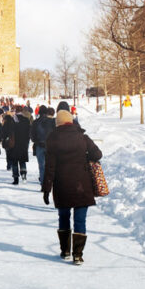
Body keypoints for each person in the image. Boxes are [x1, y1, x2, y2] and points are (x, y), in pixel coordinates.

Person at [42, 107, 102, 265]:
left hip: (62, 185)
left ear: (58, 123)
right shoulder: (82, 137)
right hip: (82, 184)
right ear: (71, 121)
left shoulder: (52, 139)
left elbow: (49, 167)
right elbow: (98, 154)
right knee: (80, 220)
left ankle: (65, 250)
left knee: (63, 217)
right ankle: (78, 254)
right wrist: (85, 155)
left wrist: (46, 189)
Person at [31, 105, 55, 185]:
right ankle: (49, 182)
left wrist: (36, 141)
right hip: (50, 146)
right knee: (50, 166)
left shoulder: (35, 122)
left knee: (41, 166)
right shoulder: (51, 122)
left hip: (39, 145)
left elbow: (32, 135)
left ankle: (43, 183)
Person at [11, 105, 32, 183]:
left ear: (16, 111)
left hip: (14, 142)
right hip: (24, 142)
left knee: (14, 160)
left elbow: (10, 131)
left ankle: (16, 178)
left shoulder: (13, 119)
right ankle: (23, 174)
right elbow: (29, 131)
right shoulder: (26, 120)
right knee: (22, 159)